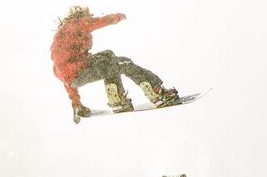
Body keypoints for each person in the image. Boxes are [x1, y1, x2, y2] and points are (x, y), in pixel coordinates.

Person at [51, 6, 180, 124]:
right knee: (124, 63)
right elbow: (98, 22)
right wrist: (117, 17)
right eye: (88, 16)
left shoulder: (62, 38)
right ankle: (157, 93)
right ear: (80, 16)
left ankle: (117, 100)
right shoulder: (76, 25)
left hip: (76, 77)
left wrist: (76, 103)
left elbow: (67, 77)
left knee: (109, 58)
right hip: (82, 70)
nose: (89, 18)